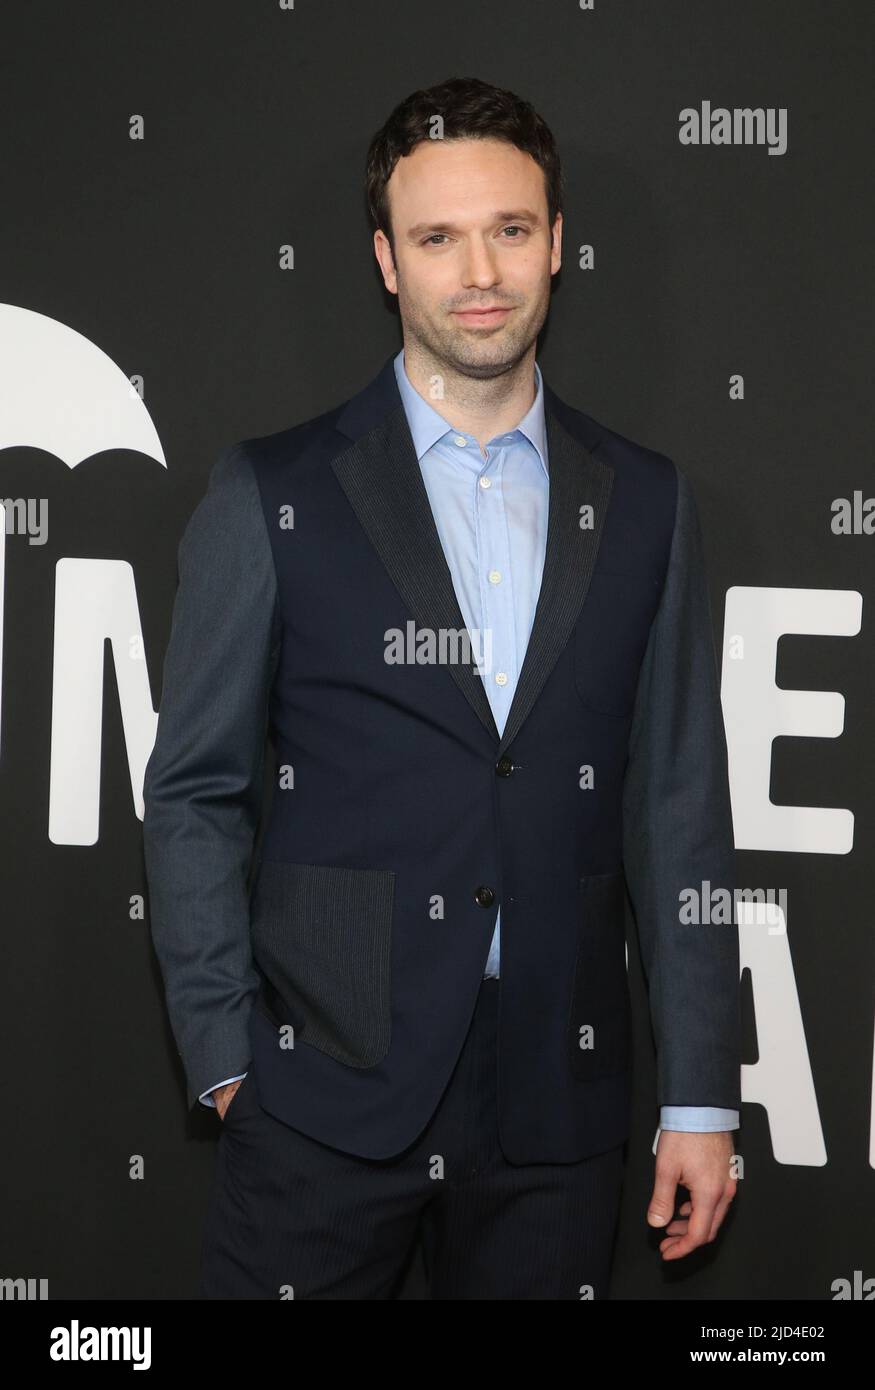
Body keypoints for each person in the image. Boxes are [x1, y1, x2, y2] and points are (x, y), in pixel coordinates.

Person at [142, 75, 741, 1300]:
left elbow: (676, 807)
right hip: (320, 1094)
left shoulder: (644, 503)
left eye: (509, 229)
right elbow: (196, 787)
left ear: (557, 244)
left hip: (553, 1102)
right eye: (436, 237)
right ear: (384, 260)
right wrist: (225, 1057)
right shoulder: (272, 490)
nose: (479, 268)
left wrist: (697, 1093)